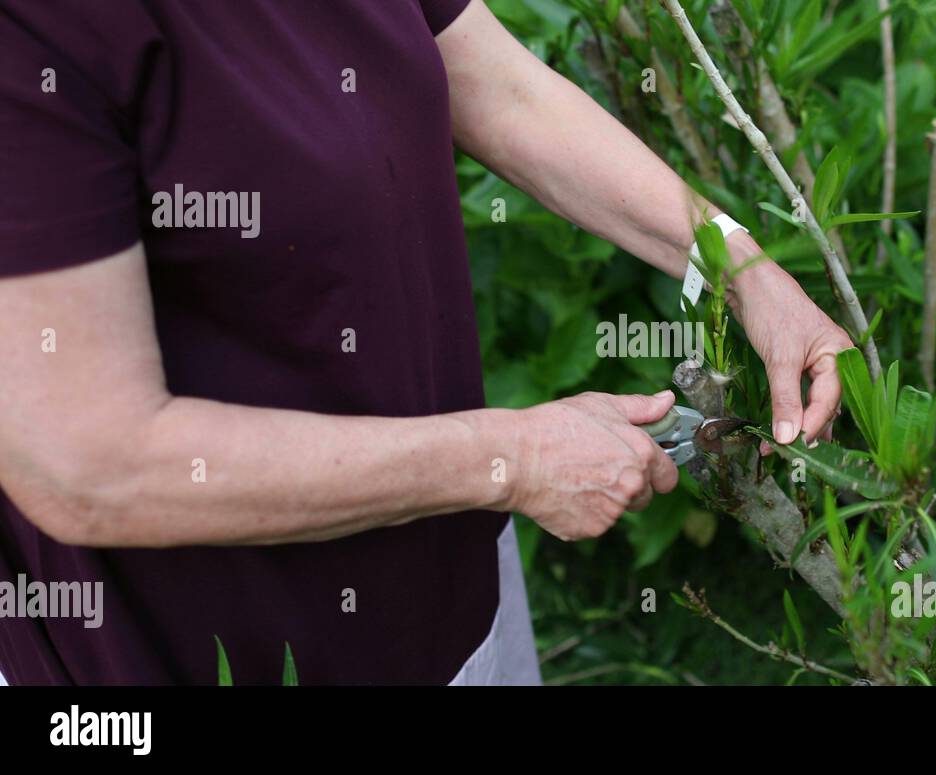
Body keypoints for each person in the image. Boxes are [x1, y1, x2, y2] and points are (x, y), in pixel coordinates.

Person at [0, 0, 852, 684]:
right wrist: (510, 458)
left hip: (449, 569)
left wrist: (739, 264)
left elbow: (491, 81)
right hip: (209, 649)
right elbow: (87, 464)